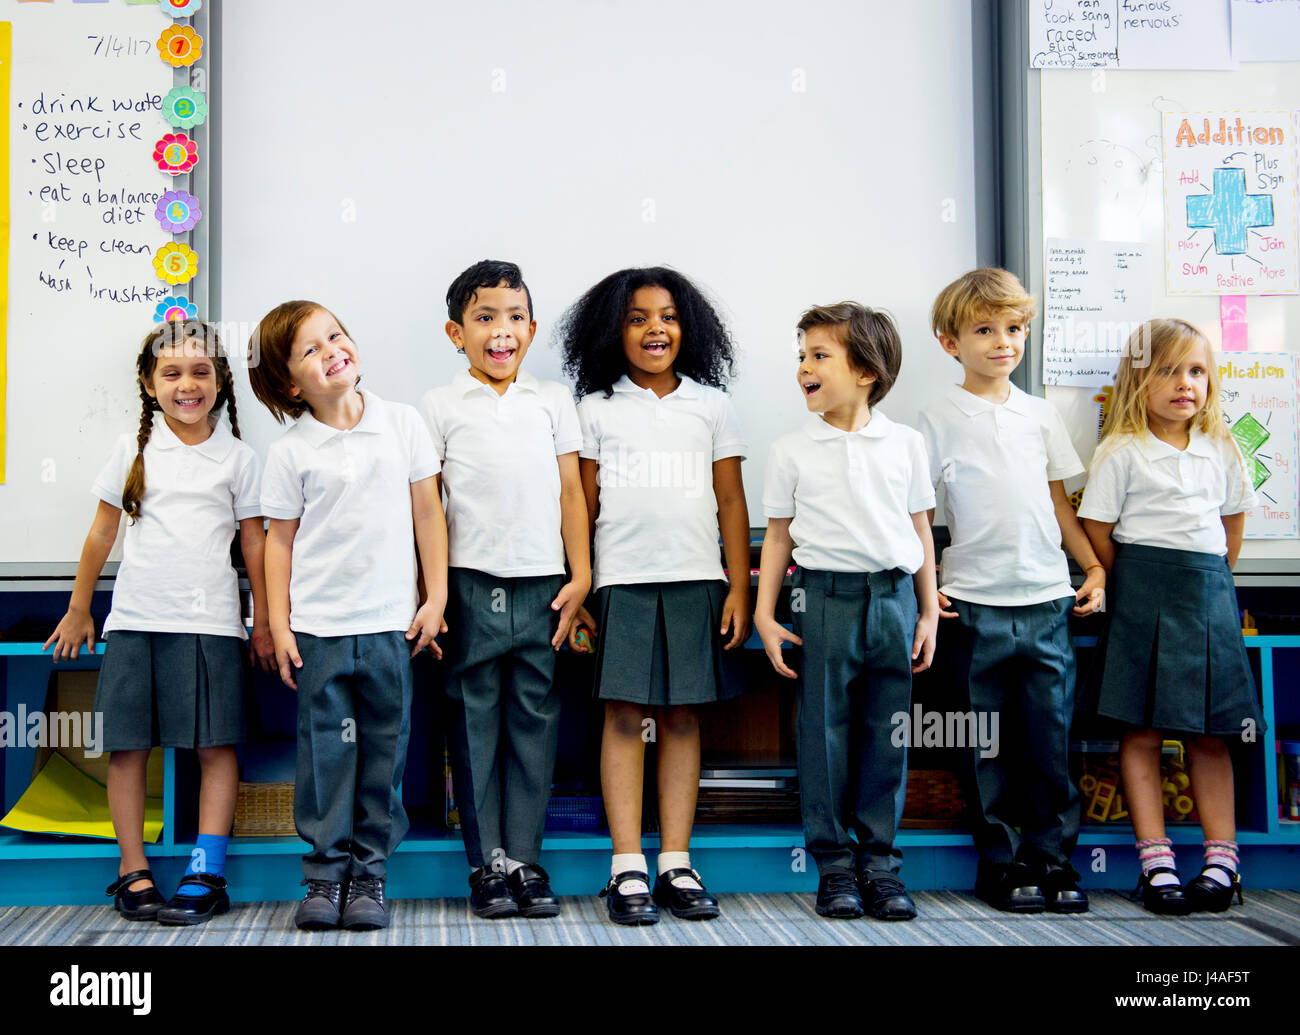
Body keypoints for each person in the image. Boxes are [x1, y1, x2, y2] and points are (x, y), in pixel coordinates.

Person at [45, 320, 272, 925]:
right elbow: (101, 531)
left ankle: (206, 871)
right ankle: (133, 869)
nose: (187, 384)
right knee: (127, 748)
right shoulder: (133, 451)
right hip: (136, 622)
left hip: (213, 626)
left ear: (221, 381)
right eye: (171, 372)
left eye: (201, 371)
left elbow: (255, 544)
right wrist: (78, 607)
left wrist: (268, 619)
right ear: (149, 384)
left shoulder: (240, 458)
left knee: (215, 746)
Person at [558, 267, 750, 925]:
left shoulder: (712, 406)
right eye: (636, 317)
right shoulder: (594, 408)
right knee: (620, 716)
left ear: (687, 326)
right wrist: (579, 579)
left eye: (666, 315)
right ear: (613, 330)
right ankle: (626, 866)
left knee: (684, 717)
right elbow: (579, 503)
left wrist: (739, 586)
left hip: (698, 580)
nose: (654, 328)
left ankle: (675, 859)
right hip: (620, 581)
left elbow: (730, 499)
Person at [249, 300, 448, 931]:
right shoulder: (289, 451)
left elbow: (428, 516)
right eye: (310, 349)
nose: (332, 349)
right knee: (325, 754)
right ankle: (323, 875)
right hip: (318, 629)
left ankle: (370, 874)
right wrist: (277, 624)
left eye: (335, 335)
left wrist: (435, 598)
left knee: (385, 751)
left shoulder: (402, 424)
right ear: (288, 382)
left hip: (391, 623)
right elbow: (278, 542)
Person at [916, 268, 1104, 914]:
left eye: (1016, 328)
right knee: (984, 741)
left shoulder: (1040, 414)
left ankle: (1054, 859)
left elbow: (1059, 503)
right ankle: (1001, 862)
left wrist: (1094, 568)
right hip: (973, 604)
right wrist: (929, 584)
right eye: (986, 329)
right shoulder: (936, 418)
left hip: (1048, 599)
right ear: (951, 343)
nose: (1004, 342)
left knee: (1050, 738)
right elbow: (922, 513)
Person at [754, 302, 938, 921]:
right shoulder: (791, 448)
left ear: (866, 371)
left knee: (887, 734)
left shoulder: (907, 444)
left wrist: (929, 611)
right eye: (801, 356)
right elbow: (778, 537)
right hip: (823, 600)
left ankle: (880, 867)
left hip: (892, 600)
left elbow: (921, 530)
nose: (803, 367)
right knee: (823, 733)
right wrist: (765, 613)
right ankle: (834, 867)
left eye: (818, 356)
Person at [419, 260, 590, 919]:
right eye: (484, 317)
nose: (501, 331)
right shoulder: (437, 406)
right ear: (455, 332)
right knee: (472, 722)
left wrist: (581, 574)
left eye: (514, 317)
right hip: (470, 584)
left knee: (534, 724)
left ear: (533, 327)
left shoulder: (551, 400)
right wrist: (432, 594)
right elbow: (428, 508)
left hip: (545, 584)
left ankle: (525, 858)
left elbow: (572, 492)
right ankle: (486, 863)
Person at [1078, 318, 1264, 915]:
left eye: (1197, 371)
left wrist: (1205, 580)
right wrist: (1139, 581)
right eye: (1167, 370)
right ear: (1138, 380)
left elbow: (1231, 532)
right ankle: (1156, 864)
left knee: (1210, 733)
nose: (1185, 383)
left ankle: (1221, 862)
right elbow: (1098, 532)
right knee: (1141, 731)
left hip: (1208, 595)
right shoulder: (1121, 452)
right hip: (1140, 595)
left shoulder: (1223, 448)